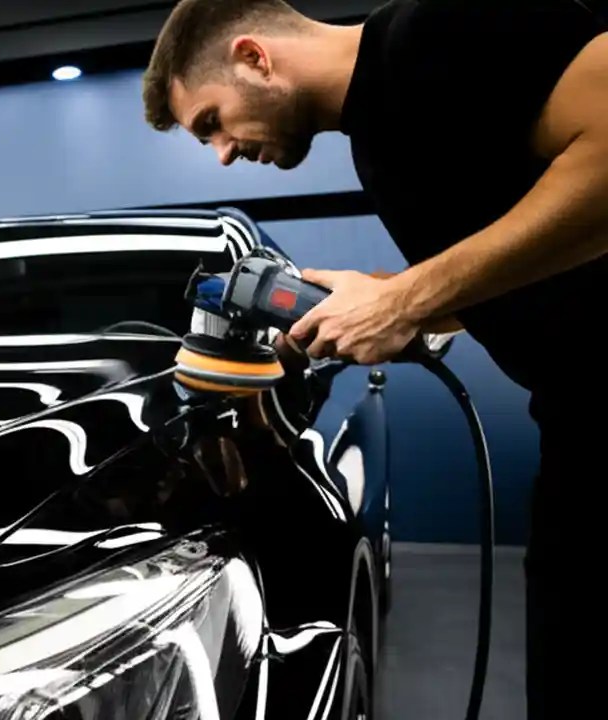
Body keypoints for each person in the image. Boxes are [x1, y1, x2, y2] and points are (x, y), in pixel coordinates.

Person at [141, 0, 607, 716]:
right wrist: (381, 299)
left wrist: (405, 300)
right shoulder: (379, 141)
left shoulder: (441, 30)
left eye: (212, 122)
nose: (224, 153)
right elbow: (525, 263)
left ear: (253, 57)